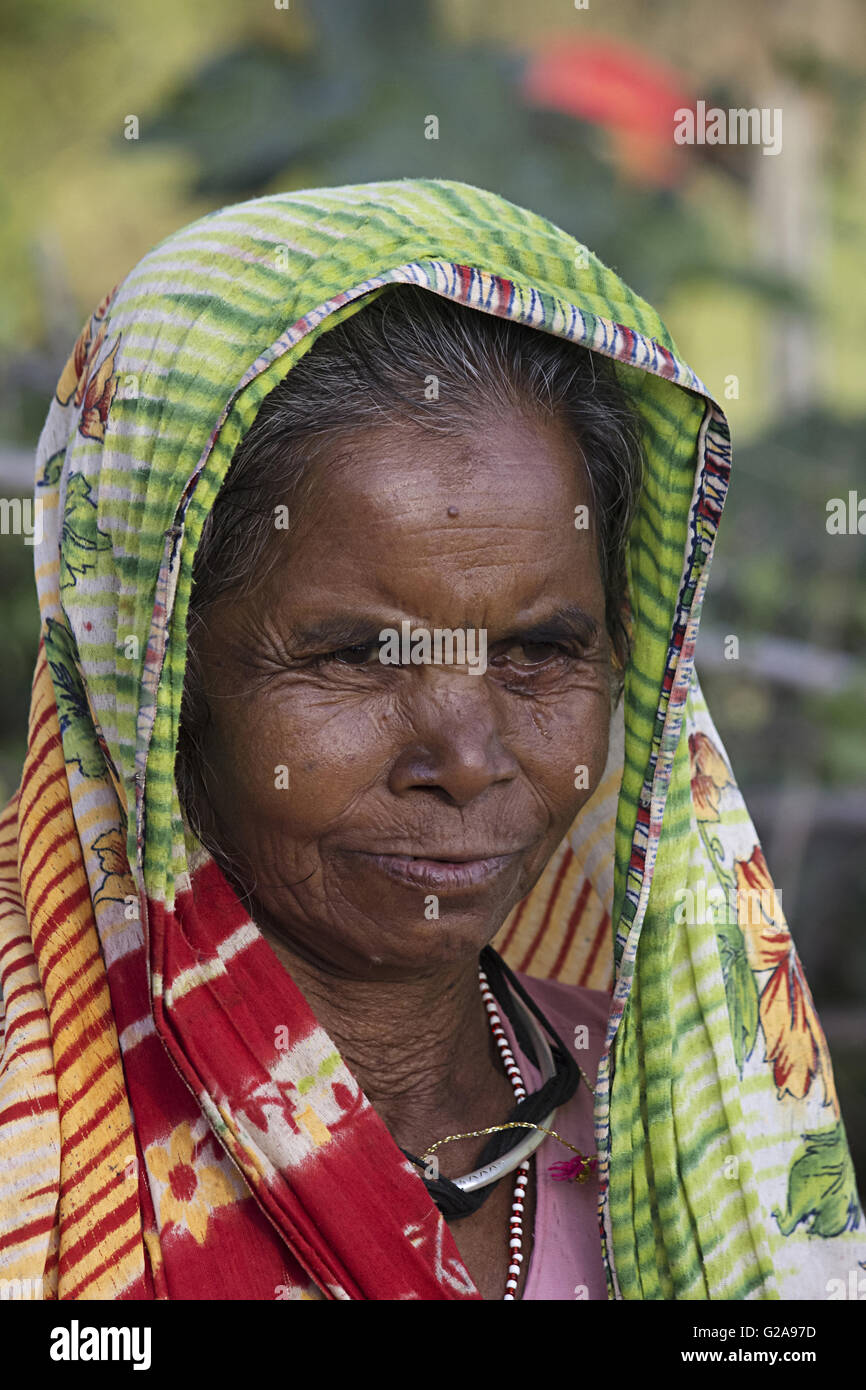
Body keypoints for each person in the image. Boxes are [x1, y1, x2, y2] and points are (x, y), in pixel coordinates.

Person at [0, 179, 862, 1301]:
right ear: (152, 676)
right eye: (357, 655)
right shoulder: (39, 1141)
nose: (465, 758)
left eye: (539, 649)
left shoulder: (679, 1130)